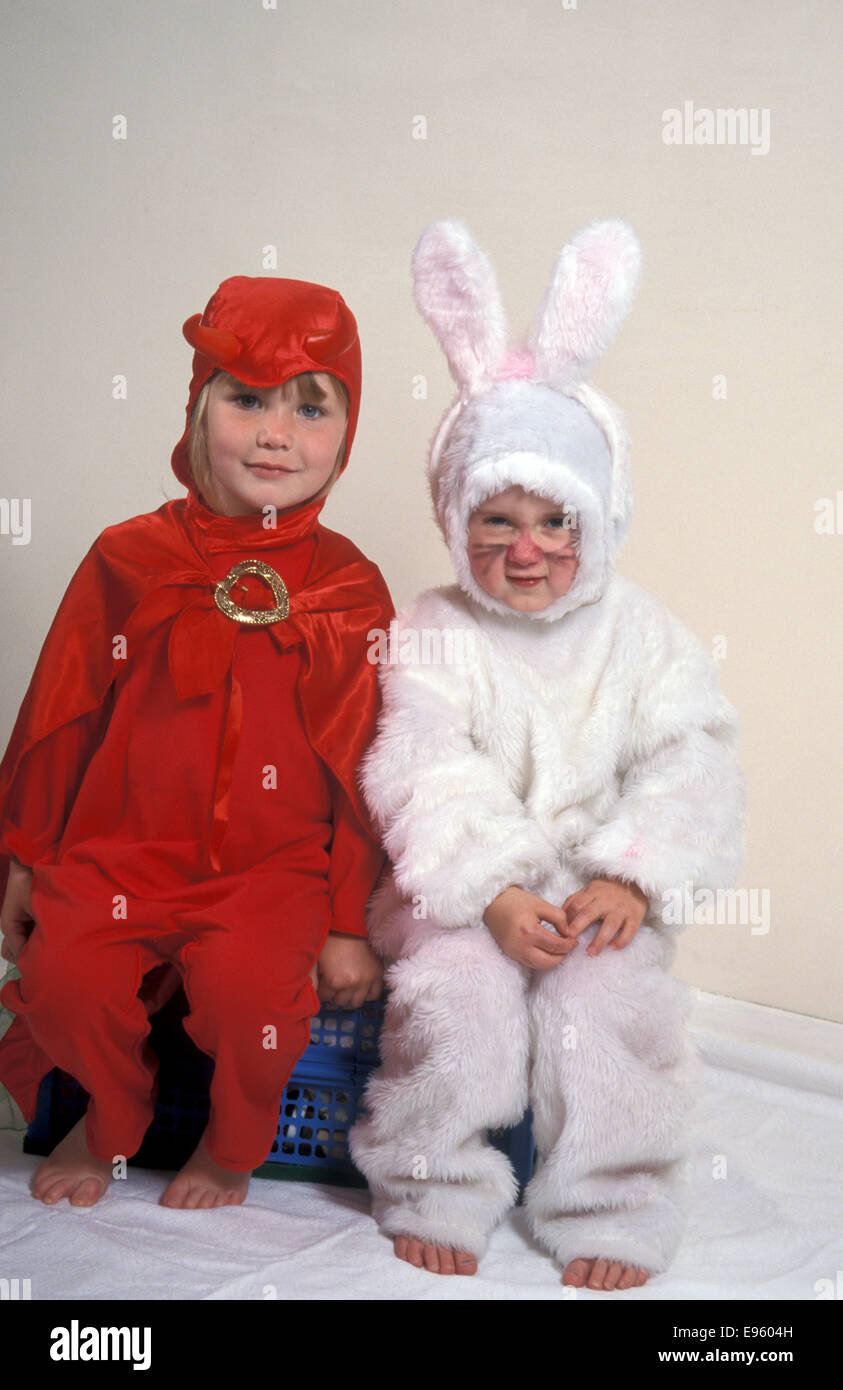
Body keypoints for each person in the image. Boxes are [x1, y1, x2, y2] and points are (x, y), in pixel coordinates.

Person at [348, 218, 745, 1290]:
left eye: (556, 522)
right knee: (462, 1000)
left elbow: (694, 753)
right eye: (496, 519)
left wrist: (630, 873)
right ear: (453, 516)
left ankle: (614, 1200)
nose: (526, 549)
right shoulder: (434, 625)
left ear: (599, 522)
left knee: (606, 1006)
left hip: (599, 896)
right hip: (472, 897)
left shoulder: (643, 630)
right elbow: (419, 756)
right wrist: (493, 889)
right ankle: (432, 1182)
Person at [0, 275, 393, 1210]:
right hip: (116, 852)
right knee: (59, 977)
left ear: (344, 435)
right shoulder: (127, 557)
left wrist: (346, 922)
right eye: (245, 398)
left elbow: (363, 771)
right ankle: (114, 1110)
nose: (274, 433)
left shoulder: (348, 588)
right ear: (194, 409)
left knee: (257, 1004)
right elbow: (60, 717)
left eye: (310, 406)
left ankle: (233, 1145)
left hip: (271, 869)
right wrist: (24, 858)